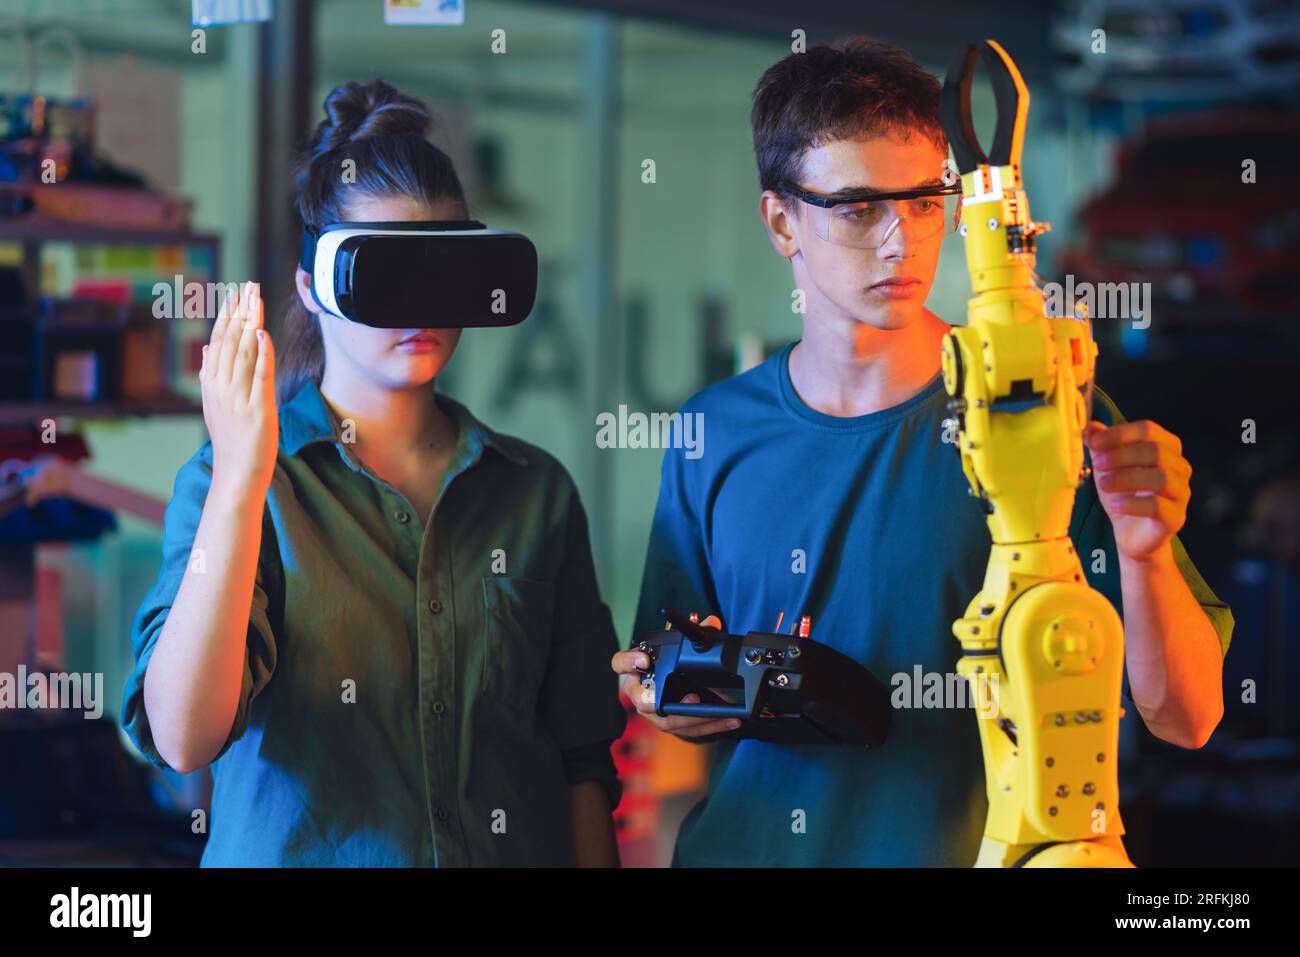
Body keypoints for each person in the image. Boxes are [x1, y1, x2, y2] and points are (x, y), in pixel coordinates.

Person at [612, 38, 1234, 866]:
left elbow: (1186, 716)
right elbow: (665, 680)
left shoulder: (1038, 406)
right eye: (859, 207)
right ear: (780, 221)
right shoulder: (711, 434)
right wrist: (667, 690)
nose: (902, 242)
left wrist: (1145, 552)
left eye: (924, 201)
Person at [121, 79, 625, 867]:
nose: (422, 308)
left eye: (444, 269)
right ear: (312, 287)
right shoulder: (242, 484)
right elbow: (185, 736)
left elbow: (581, 761)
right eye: (389, 272)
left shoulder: (536, 493)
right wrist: (240, 482)